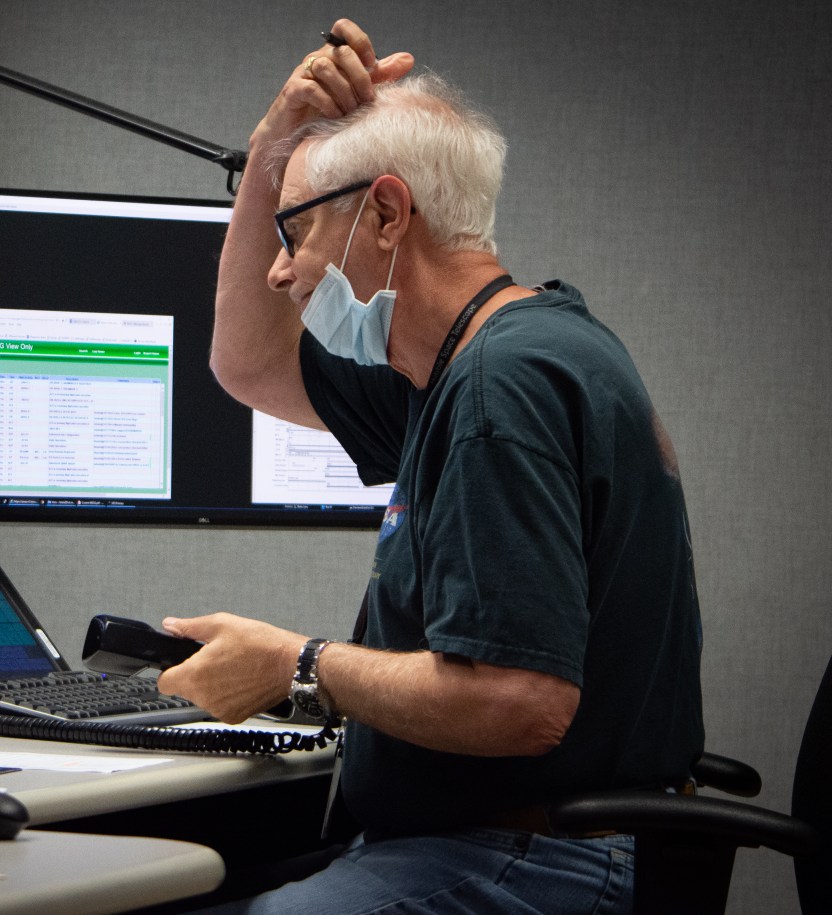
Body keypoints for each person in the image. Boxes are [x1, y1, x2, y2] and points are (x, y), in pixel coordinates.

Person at [157, 18, 704, 913]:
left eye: (294, 232)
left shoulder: (500, 386)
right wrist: (268, 156)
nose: (280, 271)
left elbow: (521, 699)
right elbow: (248, 362)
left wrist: (299, 663)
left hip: (535, 857)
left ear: (384, 212)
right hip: (514, 840)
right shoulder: (471, 363)